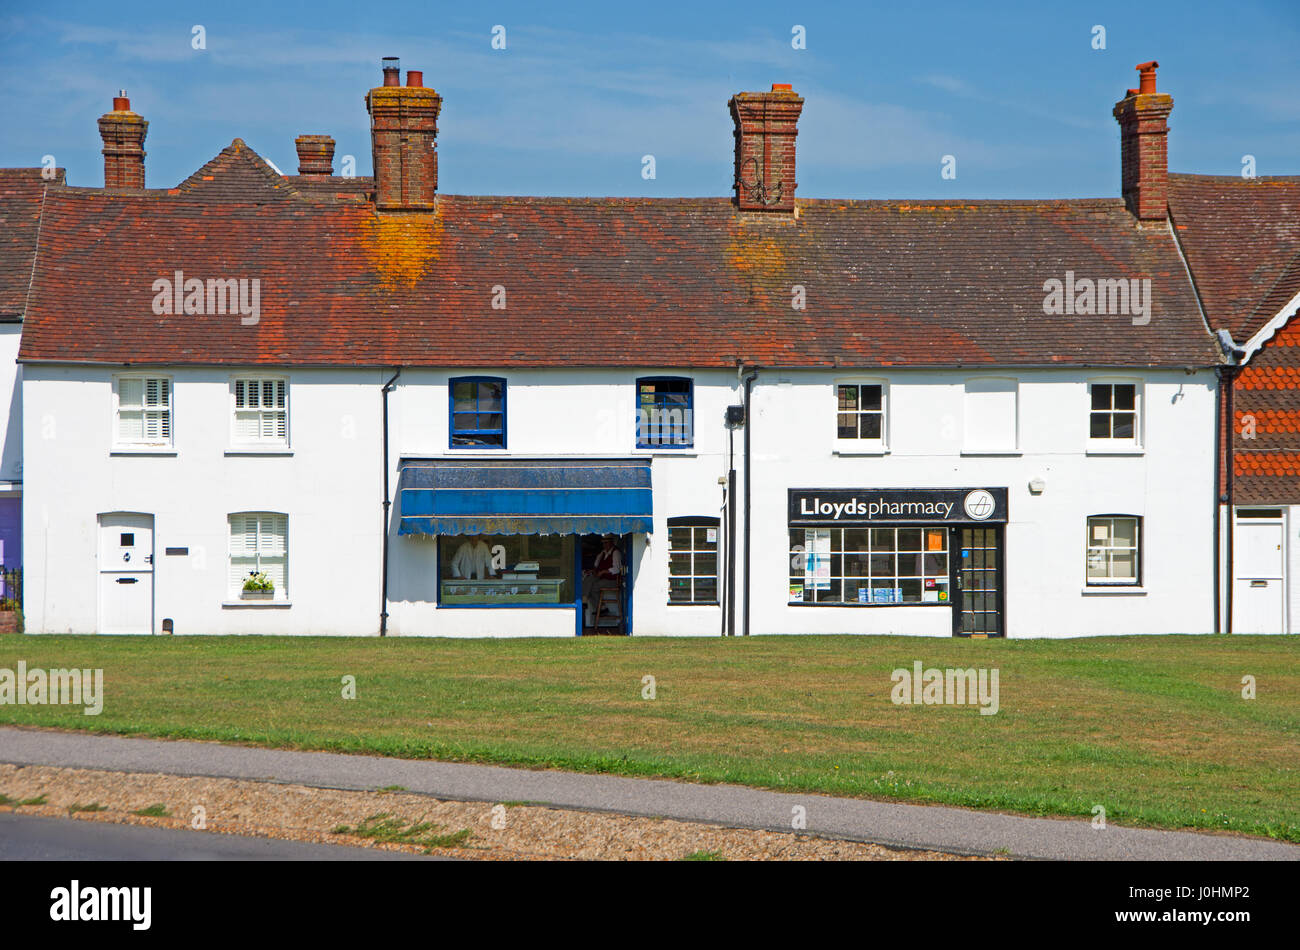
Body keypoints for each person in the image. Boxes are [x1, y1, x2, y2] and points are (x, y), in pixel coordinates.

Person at [582, 535, 622, 627]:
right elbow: (596, 565)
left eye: (606, 543)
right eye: (603, 543)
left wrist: (604, 571)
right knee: (589, 579)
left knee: (593, 586)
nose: (605, 545)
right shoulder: (602, 553)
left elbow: (617, 569)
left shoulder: (616, 552)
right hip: (603, 578)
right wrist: (593, 571)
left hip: (612, 580)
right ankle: (588, 601)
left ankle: (600, 607)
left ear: (611, 542)